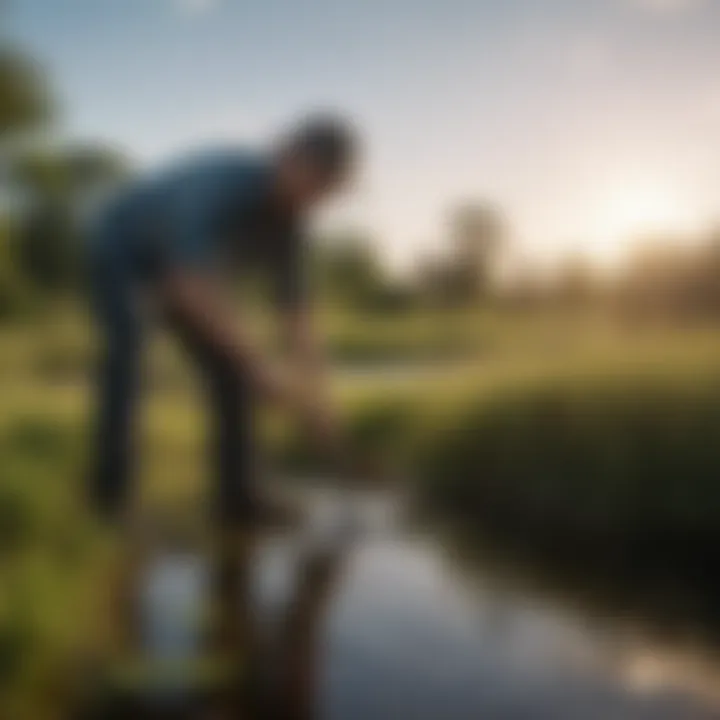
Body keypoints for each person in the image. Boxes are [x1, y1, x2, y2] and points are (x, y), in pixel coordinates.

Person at [86, 114, 358, 527]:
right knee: (129, 352)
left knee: (232, 372)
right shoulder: (225, 182)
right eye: (314, 182)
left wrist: (320, 404)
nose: (314, 200)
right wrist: (259, 366)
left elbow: (298, 317)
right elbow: (186, 282)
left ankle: (239, 499)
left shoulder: (293, 223)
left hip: (187, 272)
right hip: (123, 248)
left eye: (327, 192)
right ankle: (111, 500)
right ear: (288, 156)